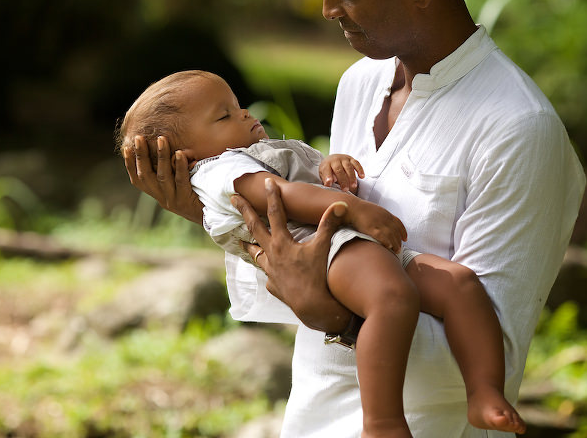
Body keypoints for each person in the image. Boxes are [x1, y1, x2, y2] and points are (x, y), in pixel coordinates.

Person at [122, 0, 586, 436]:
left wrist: (340, 321)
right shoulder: (359, 84)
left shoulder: (518, 127)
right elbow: (304, 257)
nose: (326, 9)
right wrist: (220, 214)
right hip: (311, 417)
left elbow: (496, 352)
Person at [119, 69, 526, 436]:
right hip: (326, 247)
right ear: (187, 158)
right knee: (392, 298)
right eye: (224, 116)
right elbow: (282, 194)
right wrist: (357, 208)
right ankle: (383, 423)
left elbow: (312, 177)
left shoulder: (261, 153)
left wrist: (334, 165)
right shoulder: (218, 170)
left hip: (355, 246)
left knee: (459, 281)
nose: (243, 114)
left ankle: (485, 391)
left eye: (237, 105)